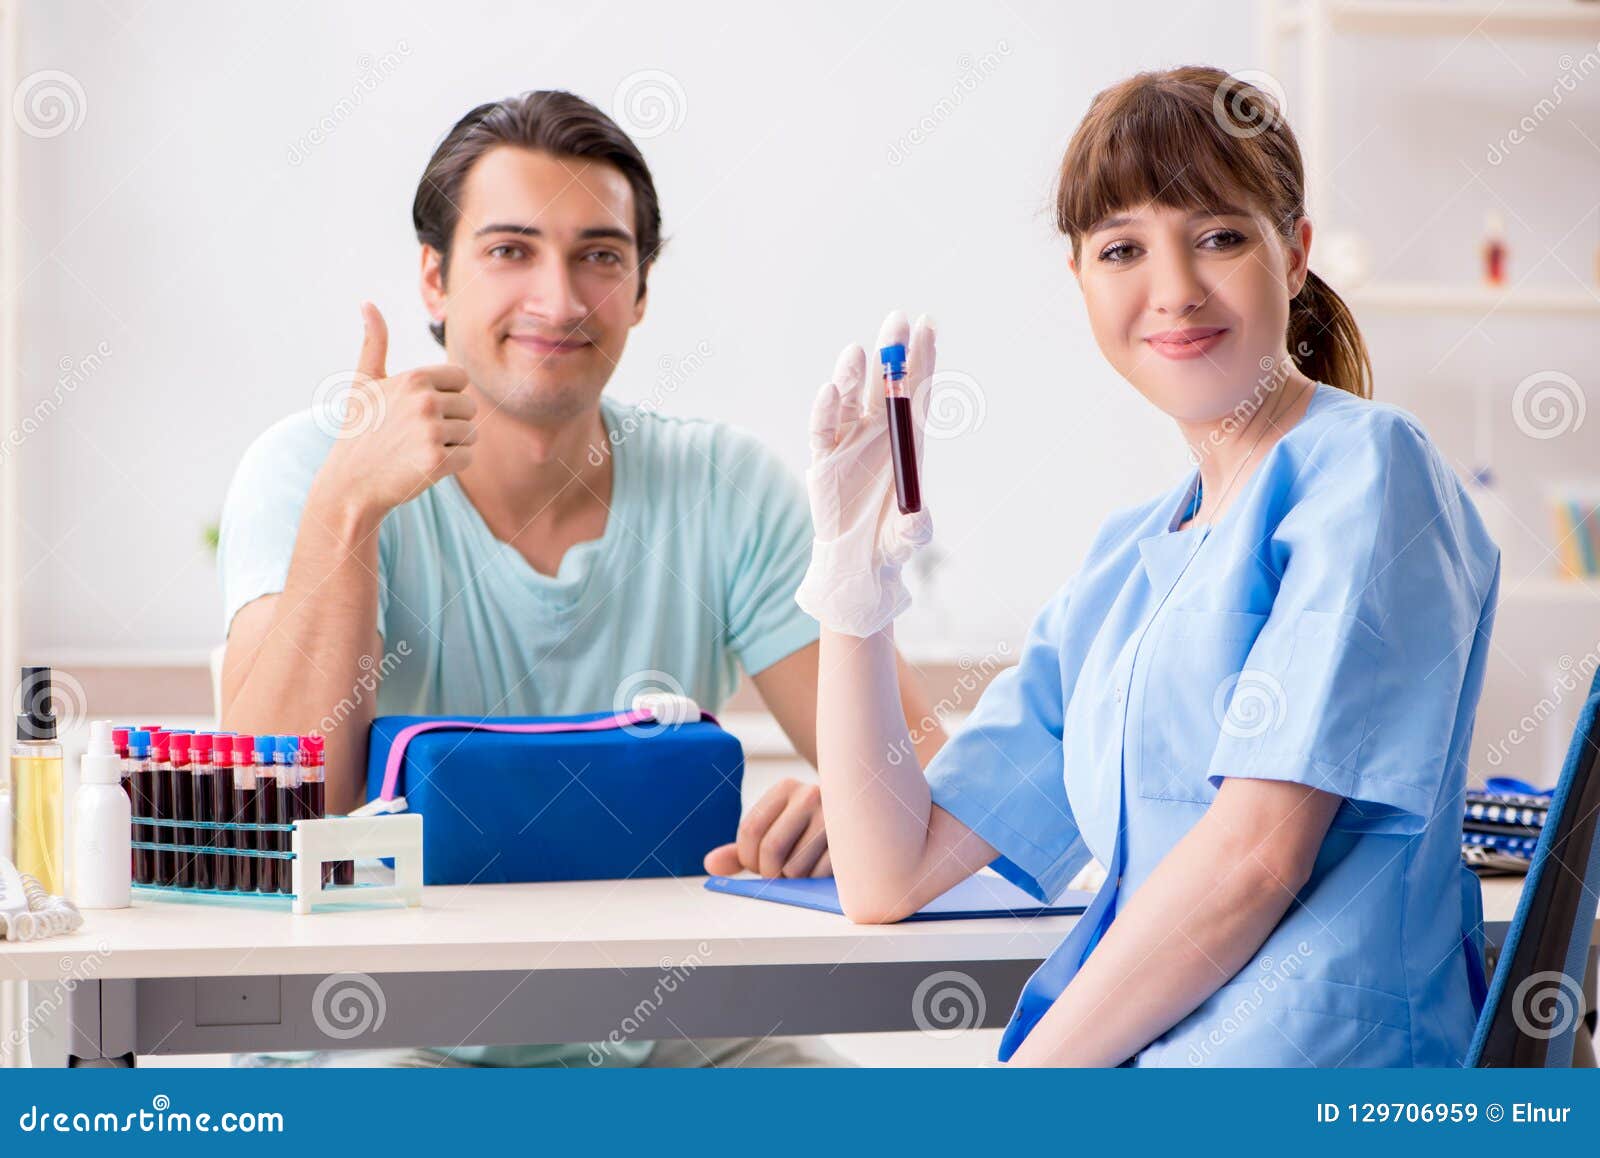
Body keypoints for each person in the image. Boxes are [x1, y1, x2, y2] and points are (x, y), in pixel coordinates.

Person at [217, 89, 944, 1068]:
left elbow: (930, 767)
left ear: (639, 291)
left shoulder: (724, 487)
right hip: (385, 1043)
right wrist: (350, 507)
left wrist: (856, 802)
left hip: (683, 1042)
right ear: (433, 280)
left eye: (599, 256)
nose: (558, 301)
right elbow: (266, 817)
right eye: (510, 250)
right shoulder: (310, 468)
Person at [798, 66, 1499, 1067]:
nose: (1172, 289)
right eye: (1122, 249)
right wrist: (850, 591)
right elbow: (886, 873)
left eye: (1217, 236)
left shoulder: (1366, 473)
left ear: (1292, 256)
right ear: (1079, 280)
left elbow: (1255, 860)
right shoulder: (1126, 565)